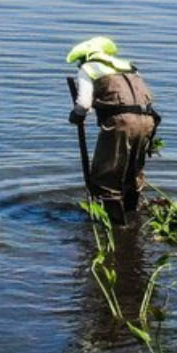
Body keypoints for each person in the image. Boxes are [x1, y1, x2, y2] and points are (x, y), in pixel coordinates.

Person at [66, 37, 159, 224]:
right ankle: (133, 219)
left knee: (107, 174)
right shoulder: (129, 67)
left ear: (85, 57)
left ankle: (114, 226)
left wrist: (76, 116)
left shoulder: (88, 69)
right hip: (148, 119)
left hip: (122, 122)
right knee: (133, 172)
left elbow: (83, 104)